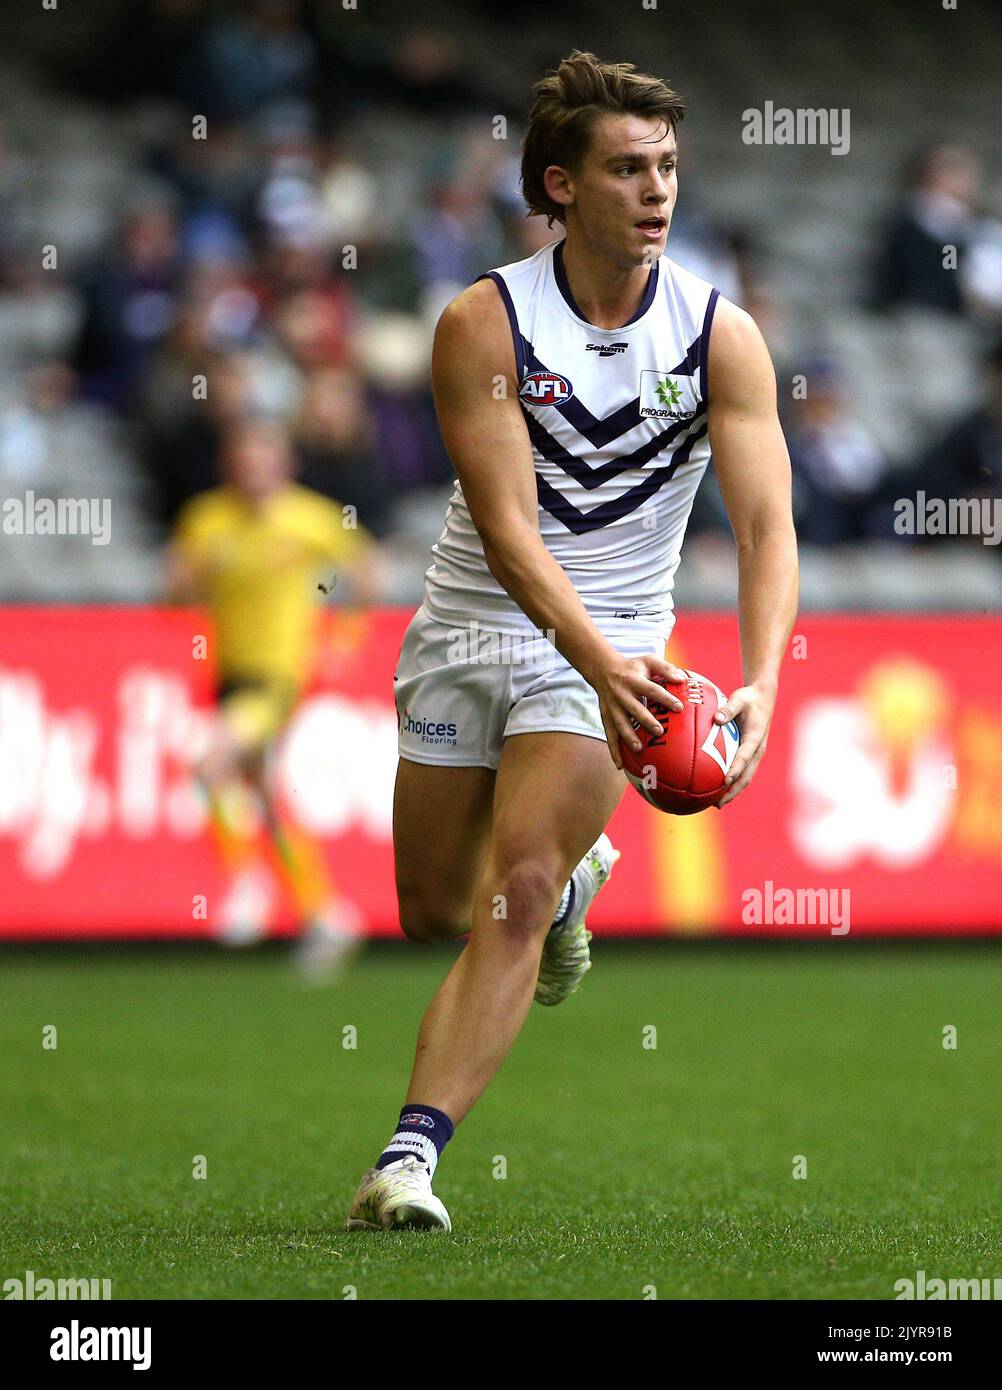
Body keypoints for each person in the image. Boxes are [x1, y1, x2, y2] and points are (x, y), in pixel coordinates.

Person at [347, 51, 798, 1231]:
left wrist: (758, 679)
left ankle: (407, 1158)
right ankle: (577, 889)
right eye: (627, 169)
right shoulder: (482, 322)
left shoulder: (719, 336)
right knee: (433, 909)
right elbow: (505, 534)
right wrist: (590, 655)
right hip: (476, 625)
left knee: (517, 885)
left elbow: (766, 525)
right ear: (560, 184)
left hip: (621, 648)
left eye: (668, 167)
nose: (656, 192)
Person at [167, 414, 379, 975]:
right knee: (263, 797)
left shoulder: (310, 519)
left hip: (281, 676)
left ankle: (246, 884)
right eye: (243, 461)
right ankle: (326, 914)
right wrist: (196, 577)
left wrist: (345, 637)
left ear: (284, 465)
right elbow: (173, 592)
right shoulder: (207, 520)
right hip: (229, 674)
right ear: (229, 466)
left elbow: (359, 568)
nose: (254, 471)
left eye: (264, 460)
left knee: (208, 761)